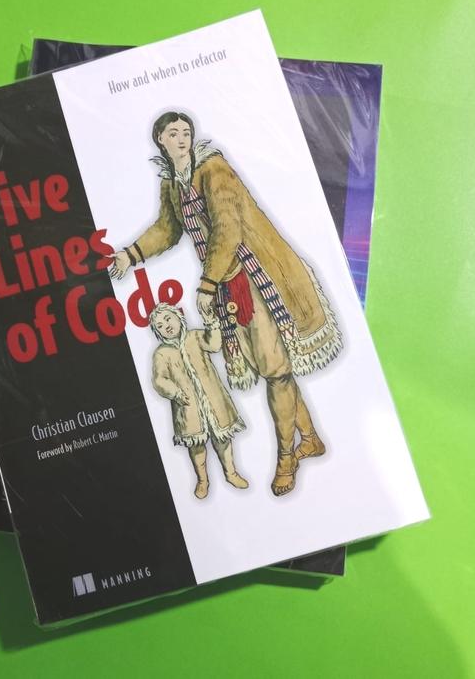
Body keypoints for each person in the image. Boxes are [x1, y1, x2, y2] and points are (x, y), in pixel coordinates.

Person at [110, 111, 342, 496]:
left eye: (186, 132)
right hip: (226, 282)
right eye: (173, 133)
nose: (182, 138)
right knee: (274, 370)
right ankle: (311, 439)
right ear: (160, 140)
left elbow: (228, 229)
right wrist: (129, 255)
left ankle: (287, 459)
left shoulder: (214, 169)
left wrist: (205, 285)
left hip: (260, 276)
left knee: (275, 370)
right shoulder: (172, 183)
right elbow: (168, 229)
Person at [149, 302, 248, 499]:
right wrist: (175, 392)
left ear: (178, 317)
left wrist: (211, 323)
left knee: (223, 439)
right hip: (188, 407)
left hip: (213, 399)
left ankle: (231, 473)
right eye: (160, 326)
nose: (166, 326)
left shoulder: (194, 336)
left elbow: (214, 344)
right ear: (157, 332)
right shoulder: (161, 353)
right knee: (196, 446)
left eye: (168, 319)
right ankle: (203, 480)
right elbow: (159, 380)